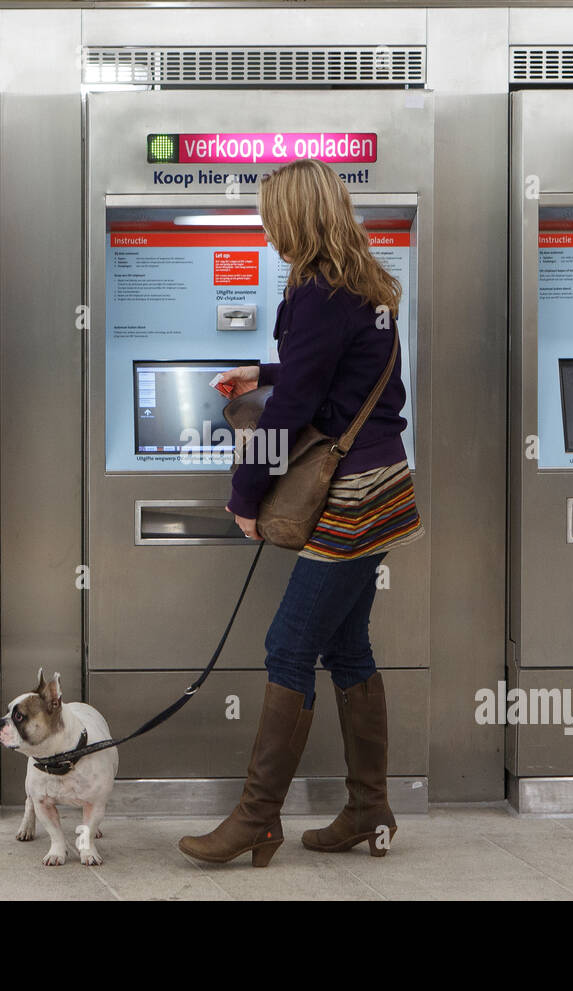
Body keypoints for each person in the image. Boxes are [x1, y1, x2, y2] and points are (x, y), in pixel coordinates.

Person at [178, 159, 425, 868]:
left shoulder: (319, 291)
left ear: (291, 218)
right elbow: (333, 372)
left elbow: (293, 412)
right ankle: (370, 810)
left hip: (348, 497)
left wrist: (245, 496)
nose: (264, 226)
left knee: (289, 645)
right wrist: (269, 369)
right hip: (385, 484)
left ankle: (258, 819)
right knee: (346, 647)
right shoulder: (364, 282)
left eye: (268, 214)